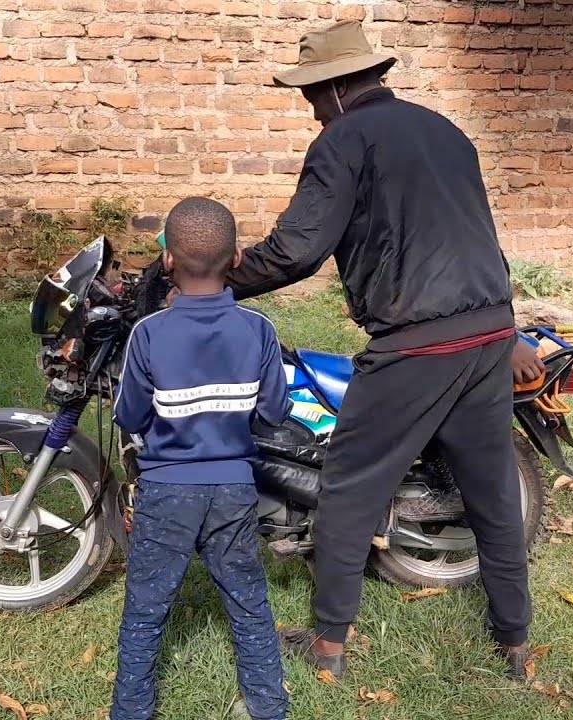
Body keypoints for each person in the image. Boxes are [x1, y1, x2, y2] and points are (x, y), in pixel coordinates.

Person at [224, 20, 540, 681]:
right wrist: (505, 329)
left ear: (337, 88)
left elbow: (296, 251)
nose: (310, 109)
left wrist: (212, 277)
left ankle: (328, 648)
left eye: (312, 95)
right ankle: (514, 646)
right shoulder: (446, 132)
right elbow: (480, 236)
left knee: (348, 489)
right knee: (492, 499)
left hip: (418, 345)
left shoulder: (343, 139)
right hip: (487, 337)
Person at [111, 197, 291, 720]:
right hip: (234, 490)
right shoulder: (258, 330)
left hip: (166, 491)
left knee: (145, 609)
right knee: (248, 602)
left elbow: (130, 416)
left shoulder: (148, 334)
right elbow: (275, 410)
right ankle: (268, 707)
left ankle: (130, 711)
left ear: (167, 261)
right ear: (236, 258)